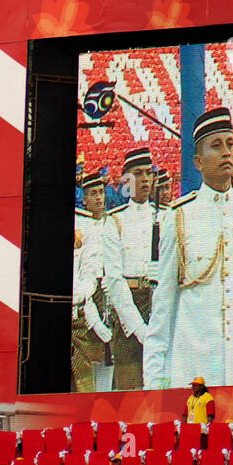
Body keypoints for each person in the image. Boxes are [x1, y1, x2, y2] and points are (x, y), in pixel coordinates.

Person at [142, 107, 233, 388]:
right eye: (216, 146)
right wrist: (153, 385)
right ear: (198, 162)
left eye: (231, 143)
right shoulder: (179, 216)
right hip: (195, 368)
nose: (227, 152)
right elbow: (163, 308)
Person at [103, 146, 162, 390]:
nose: (145, 179)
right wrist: (139, 329)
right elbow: (115, 280)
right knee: (128, 390)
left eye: (148, 173)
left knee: (160, 385)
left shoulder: (165, 216)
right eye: (138, 173)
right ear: (126, 179)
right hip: (128, 306)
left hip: (158, 303)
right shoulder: (115, 220)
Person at [71, 171, 125, 393]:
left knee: (109, 350)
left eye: (101, 193)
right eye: (93, 194)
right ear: (84, 199)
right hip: (87, 291)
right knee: (89, 350)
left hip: (108, 288)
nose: (99, 198)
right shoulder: (80, 224)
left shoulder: (114, 222)